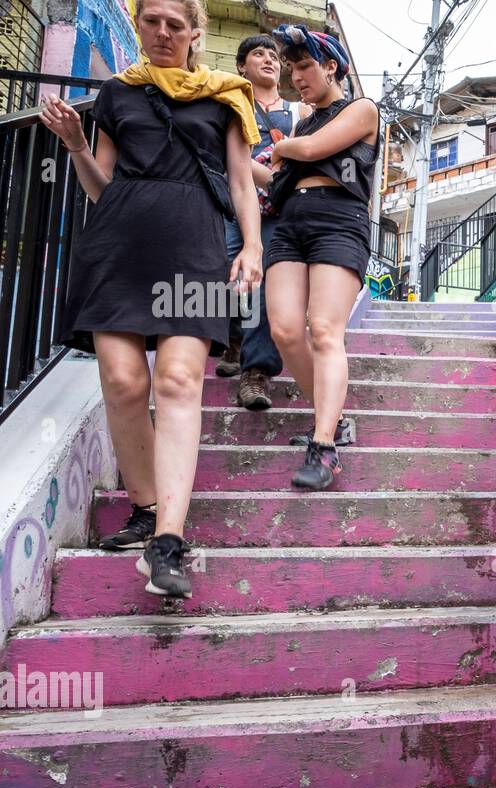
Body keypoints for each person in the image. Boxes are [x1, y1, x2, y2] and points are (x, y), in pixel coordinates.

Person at [38, 0, 262, 598]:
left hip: (192, 247)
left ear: (195, 32)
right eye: (151, 22)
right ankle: (144, 506)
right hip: (118, 246)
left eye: (175, 24)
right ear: (140, 27)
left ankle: (167, 539)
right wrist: (78, 145)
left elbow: (241, 181)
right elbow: (99, 188)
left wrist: (252, 247)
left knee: (180, 380)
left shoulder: (225, 95)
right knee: (123, 381)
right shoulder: (117, 94)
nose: (162, 33)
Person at [264, 24, 379, 490]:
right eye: (292, 69)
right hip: (290, 223)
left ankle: (325, 444)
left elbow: (308, 150)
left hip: (339, 219)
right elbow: (273, 178)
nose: (297, 77)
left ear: (331, 66)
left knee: (325, 328)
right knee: (286, 331)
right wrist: (231, 156)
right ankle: (332, 418)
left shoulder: (361, 109)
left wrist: (278, 148)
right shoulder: (302, 123)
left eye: (305, 66)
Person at [215, 33, 311, 410]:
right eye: (258, 54)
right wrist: (268, 173)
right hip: (230, 206)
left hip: (276, 213)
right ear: (242, 66)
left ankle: (256, 373)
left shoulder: (299, 112)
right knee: (222, 275)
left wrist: (271, 177)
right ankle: (233, 338)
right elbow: (226, 158)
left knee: (266, 285)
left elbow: (297, 162)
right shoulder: (228, 106)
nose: (269, 60)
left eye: (274, 56)